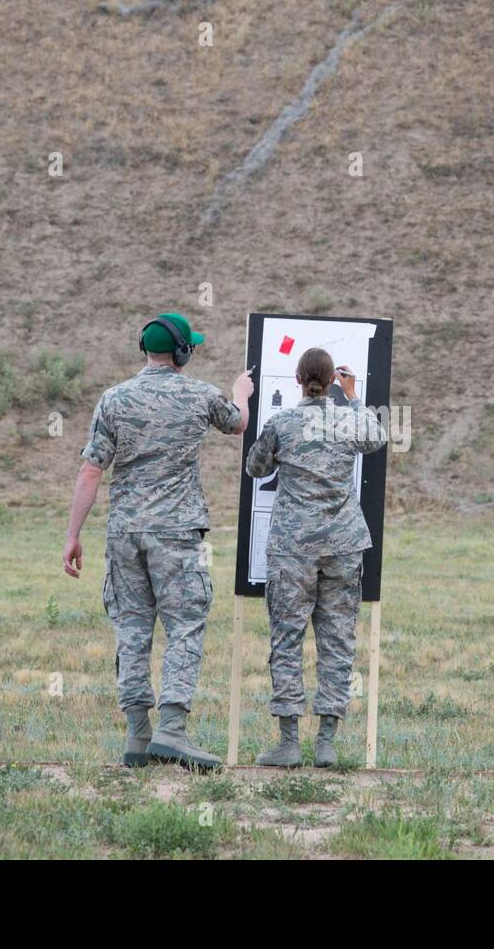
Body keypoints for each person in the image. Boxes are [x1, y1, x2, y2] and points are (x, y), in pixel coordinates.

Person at [63, 312, 253, 771]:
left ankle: (137, 735)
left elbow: (91, 470)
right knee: (185, 624)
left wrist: (73, 535)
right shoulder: (200, 394)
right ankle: (172, 730)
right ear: (183, 352)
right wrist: (241, 395)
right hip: (177, 530)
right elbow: (238, 425)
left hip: (124, 532)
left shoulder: (114, 399)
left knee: (131, 629)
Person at [245, 347, 387, 767]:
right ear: (330, 382)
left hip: (292, 548)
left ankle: (288, 743)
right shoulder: (348, 419)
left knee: (287, 639)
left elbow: (255, 468)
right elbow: (377, 438)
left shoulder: (282, 423)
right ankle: (326, 742)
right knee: (337, 642)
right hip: (343, 546)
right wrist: (354, 395)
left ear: (296, 380)